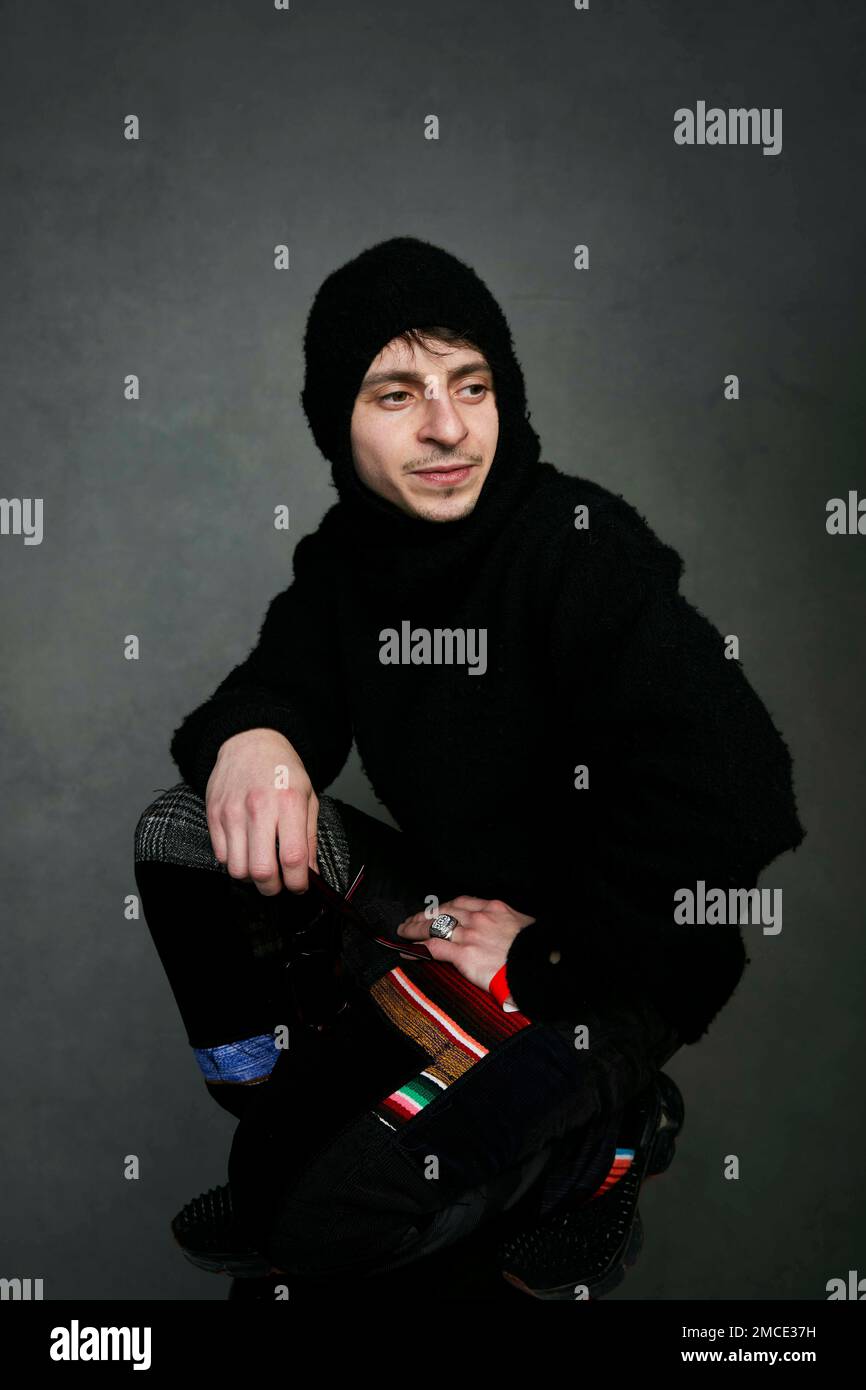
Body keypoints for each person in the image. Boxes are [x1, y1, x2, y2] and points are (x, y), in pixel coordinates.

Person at [134, 235, 805, 1293]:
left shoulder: (575, 544)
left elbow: (744, 793)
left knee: (318, 1224)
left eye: (471, 385)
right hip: (449, 918)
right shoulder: (349, 558)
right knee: (183, 832)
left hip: (599, 976)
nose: (447, 427)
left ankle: (610, 1141)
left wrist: (548, 959)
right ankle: (296, 1110)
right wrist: (254, 737)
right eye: (396, 394)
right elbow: (276, 683)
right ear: (334, 424)